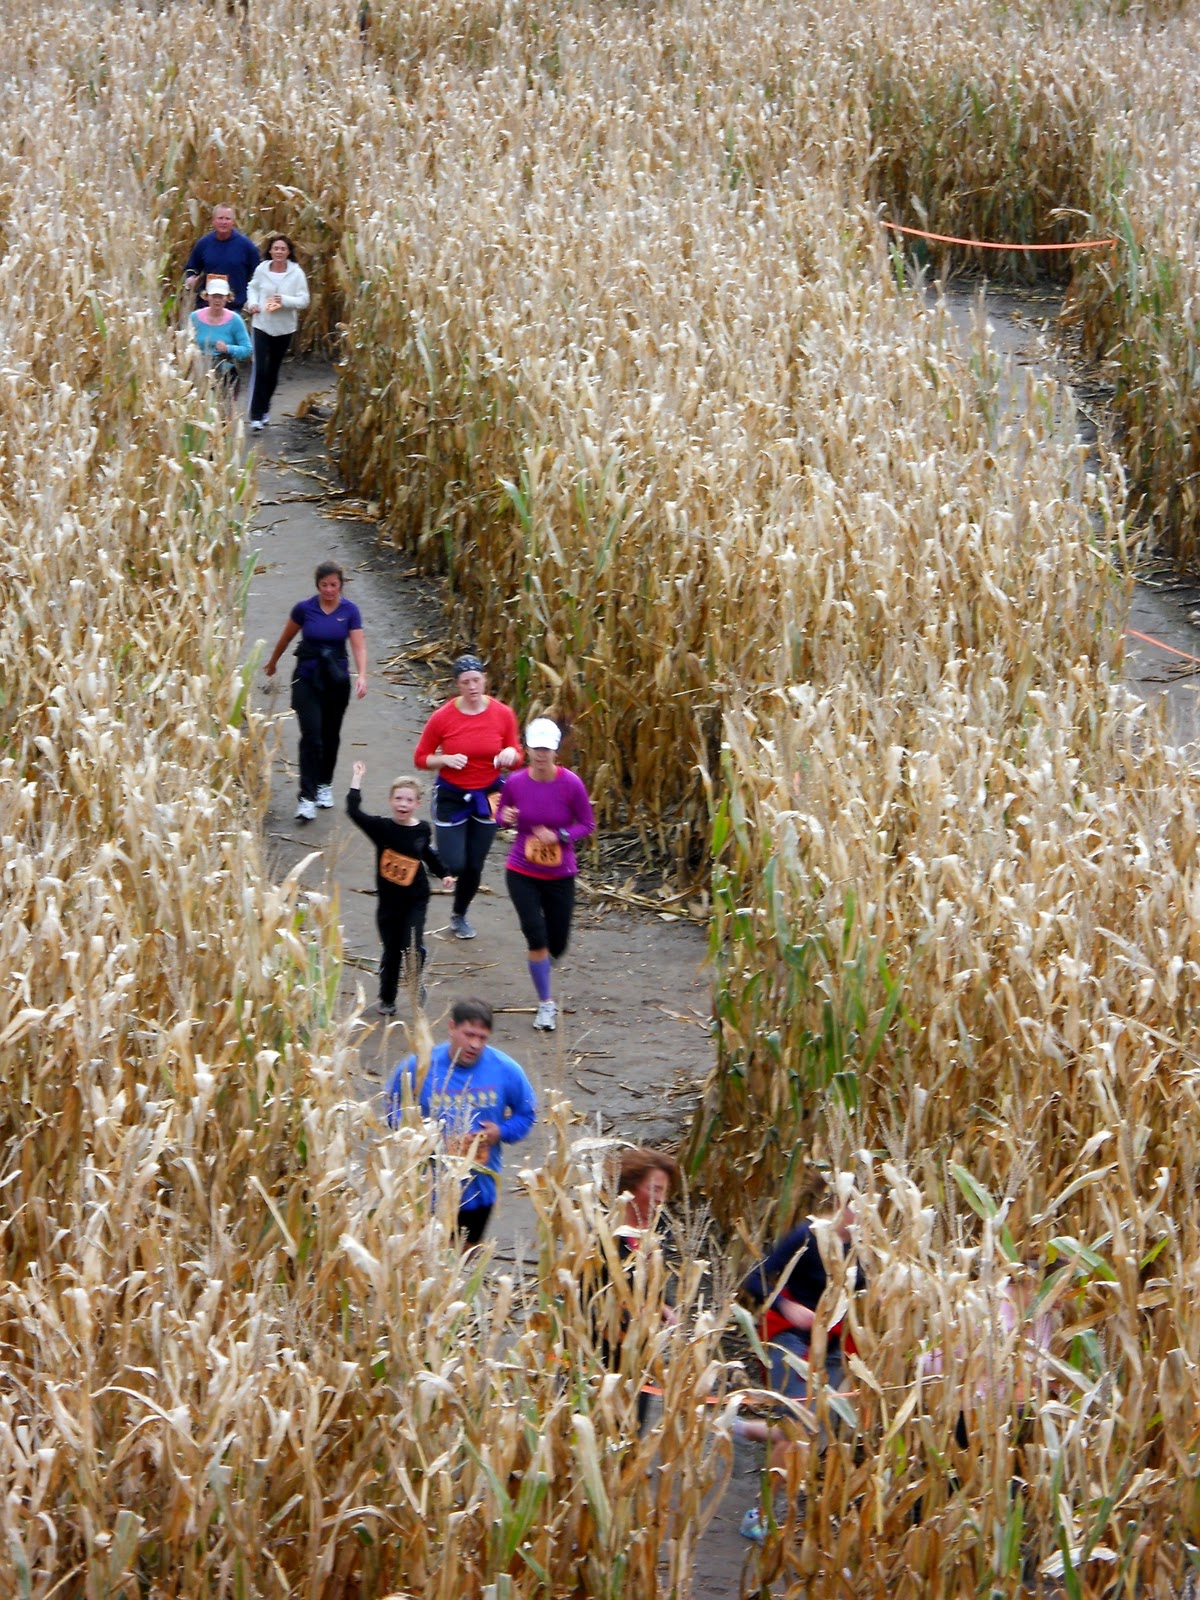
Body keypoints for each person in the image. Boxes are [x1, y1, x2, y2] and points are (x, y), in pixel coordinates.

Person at [737, 1199, 863, 1543]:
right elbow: (755, 1279)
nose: (861, 1216)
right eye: (855, 1207)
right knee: (799, 1431)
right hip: (791, 1341)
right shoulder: (808, 1235)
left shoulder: (862, 1248)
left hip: (834, 1348)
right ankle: (760, 1515)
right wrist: (787, 1305)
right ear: (839, 1204)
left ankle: (738, 1427)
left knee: (812, 1433)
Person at [385, 998, 537, 1243]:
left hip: (479, 1190)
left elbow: (526, 1114)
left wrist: (501, 1132)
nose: (475, 1044)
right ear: (451, 1028)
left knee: (464, 1255)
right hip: (427, 1190)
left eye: (482, 1038)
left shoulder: (506, 1070)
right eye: (469, 1035)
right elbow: (392, 1106)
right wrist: (420, 1133)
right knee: (427, 1255)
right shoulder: (419, 1065)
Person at [413, 655, 522, 941]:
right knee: (455, 865)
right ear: (457, 685)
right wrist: (445, 759)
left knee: (475, 864)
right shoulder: (443, 717)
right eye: (465, 682)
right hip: (451, 794)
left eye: (476, 680)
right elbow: (421, 758)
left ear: (485, 680)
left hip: (489, 794)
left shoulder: (502, 714)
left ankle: (459, 915)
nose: (472, 687)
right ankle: (433, 854)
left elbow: (517, 756)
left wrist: (510, 754)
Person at [499, 718, 595, 1032]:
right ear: (527, 749)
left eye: (547, 749)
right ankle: (546, 1004)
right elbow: (501, 815)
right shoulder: (515, 782)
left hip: (560, 874)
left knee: (558, 943)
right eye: (536, 748)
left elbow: (587, 824)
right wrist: (505, 817)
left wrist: (560, 835)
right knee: (535, 936)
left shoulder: (571, 784)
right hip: (521, 871)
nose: (541, 754)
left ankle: (541, 961)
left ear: (555, 751)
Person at [264, 560, 367, 821]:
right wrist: (273, 662)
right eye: (324, 585)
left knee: (330, 736)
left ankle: (324, 785)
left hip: (336, 680)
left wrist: (362, 675)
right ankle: (306, 798)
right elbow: (286, 637)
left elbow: (358, 646)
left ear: (341, 584)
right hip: (307, 678)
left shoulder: (350, 611)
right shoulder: (304, 608)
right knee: (312, 737)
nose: (329, 590)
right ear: (317, 585)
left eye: (333, 585)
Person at [347, 764, 452, 1015]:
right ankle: (387, 999)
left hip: (416, 898)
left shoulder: (422, 829)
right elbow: (354, 812)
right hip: (388, 902)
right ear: (390, 800)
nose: (403, 804)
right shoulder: (382, 828)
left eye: (409, 800)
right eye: (398, 799)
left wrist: (444, 873)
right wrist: (356, 779)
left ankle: (416, 979)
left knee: (411, 944)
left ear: (417, 803)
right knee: (392, 951)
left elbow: (427, 853)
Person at [244, 234, 310, 432]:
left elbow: (304, 300)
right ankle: (256, 415)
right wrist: (253, 303)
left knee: (272, 370)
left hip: (284, 328)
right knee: (260, 369)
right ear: (270, 251)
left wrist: (285, 300)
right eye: (276, 248)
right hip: (262, 324)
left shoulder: (296, 273)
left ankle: (265, 408)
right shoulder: (262, 269)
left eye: (283, 249)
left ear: (288, 252)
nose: (279, 252)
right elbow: (252, 288)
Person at [184, 203, 261, 312]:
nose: (223, 222)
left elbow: (258, 273)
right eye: (220, 218)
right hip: (206, 307)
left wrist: (252, 298)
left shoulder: (246, 245)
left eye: (227, 219)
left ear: (233, 221)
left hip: (235, 308)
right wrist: (190, 279)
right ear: (213, 221)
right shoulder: (204, 243)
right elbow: (192, 268)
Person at [188, 276, 252, 404]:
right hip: (198, 370)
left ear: (227, 298)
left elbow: (247, 349)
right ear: (207, 297)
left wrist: (228, 348)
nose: (217, 300)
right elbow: (185, 343)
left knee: (222, 410)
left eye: (221, 297)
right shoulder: (194, 317)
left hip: (225, 372)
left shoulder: (235, 320)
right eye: (214, 296)